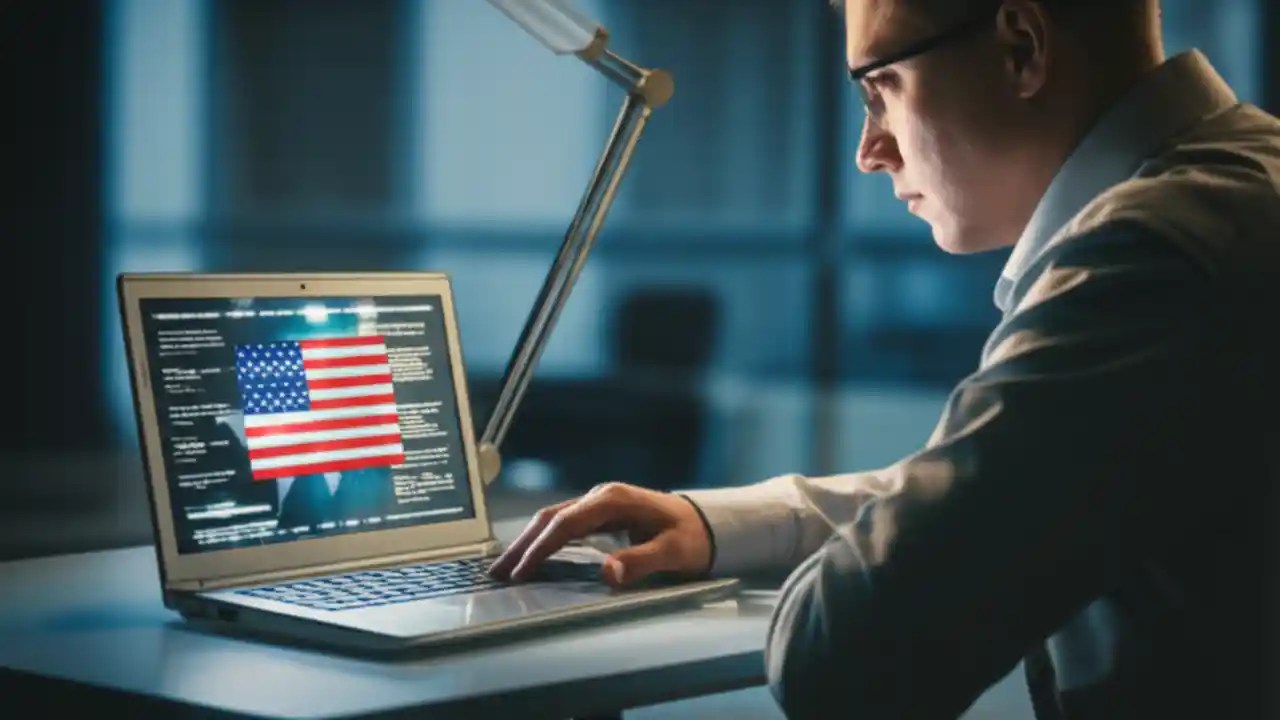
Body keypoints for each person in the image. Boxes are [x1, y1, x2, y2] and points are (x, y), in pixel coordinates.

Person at [489, 0, 1280, 717]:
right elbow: (995, 498)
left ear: (1021, 48)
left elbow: (844, 661)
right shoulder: (1243, 187)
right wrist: (717, 525)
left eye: (880, 87)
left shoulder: (1150, 261)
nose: (869, 150)